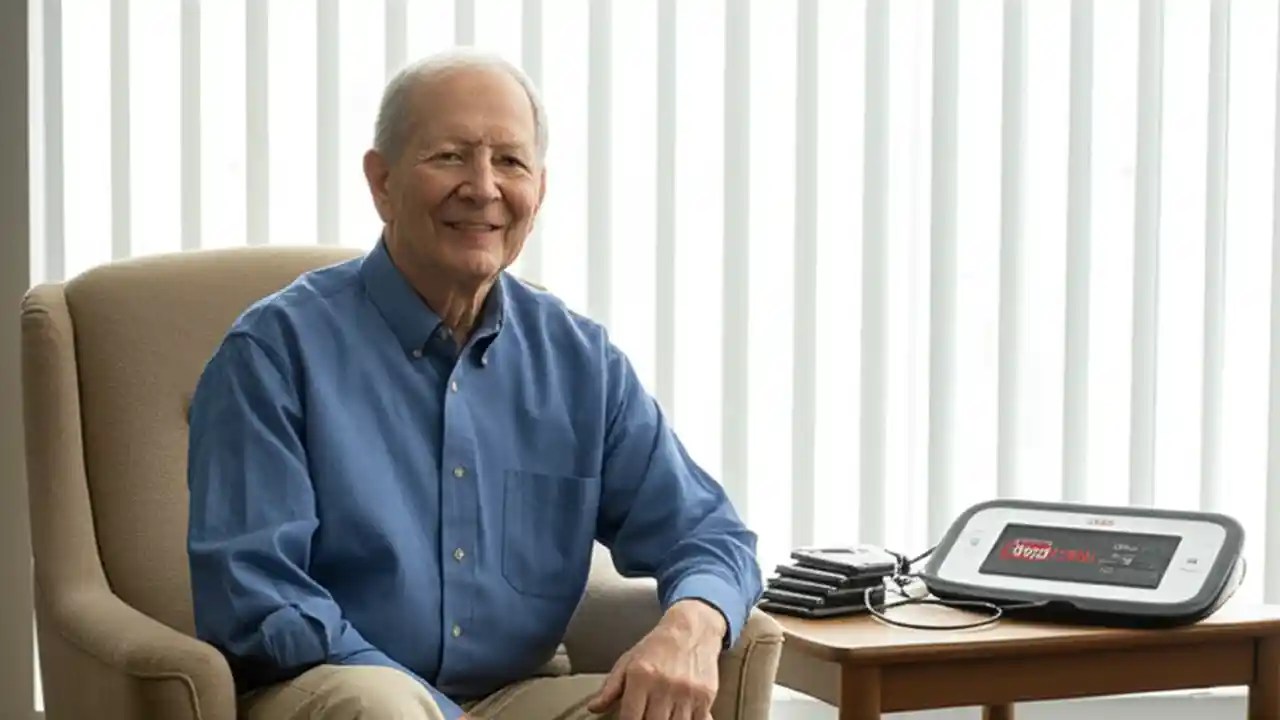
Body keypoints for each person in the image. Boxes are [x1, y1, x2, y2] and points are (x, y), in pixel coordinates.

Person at [185, 48, 762, 720]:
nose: (484, 187)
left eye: (510, 162)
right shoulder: (273, 353)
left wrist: (689, 627)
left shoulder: (580, 361)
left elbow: (710, 532)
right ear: (382, 182)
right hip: (332, 683)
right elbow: (258, 598)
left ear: (538, 192)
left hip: (518, 695)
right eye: (451, 156)